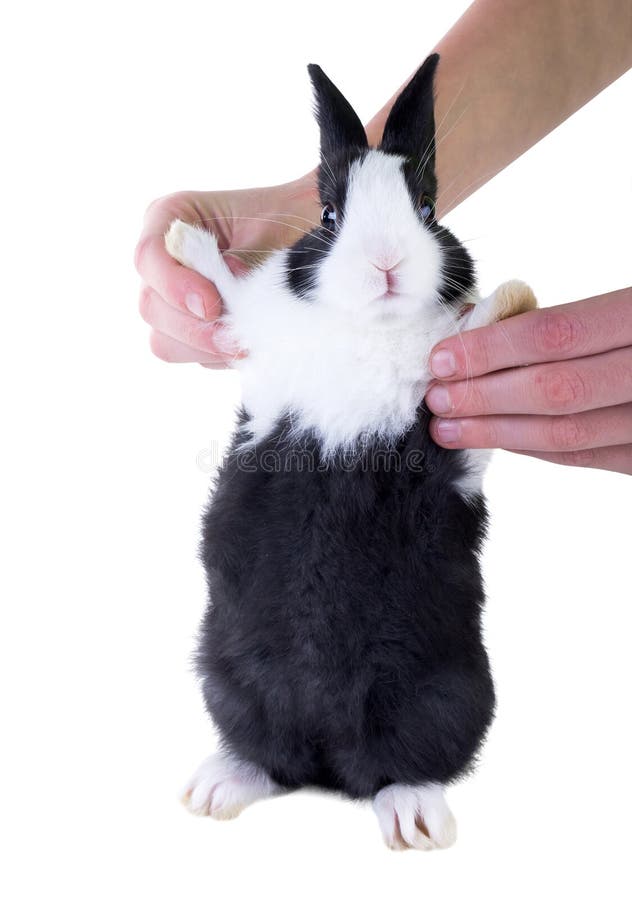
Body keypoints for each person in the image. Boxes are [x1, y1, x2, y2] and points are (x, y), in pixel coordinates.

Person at [135, 0, 632, 475]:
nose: (385, 260)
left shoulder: (439, 324)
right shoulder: (291, 313)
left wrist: (483, 328)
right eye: (331, 216)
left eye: (422, 210)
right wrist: (225, 283)